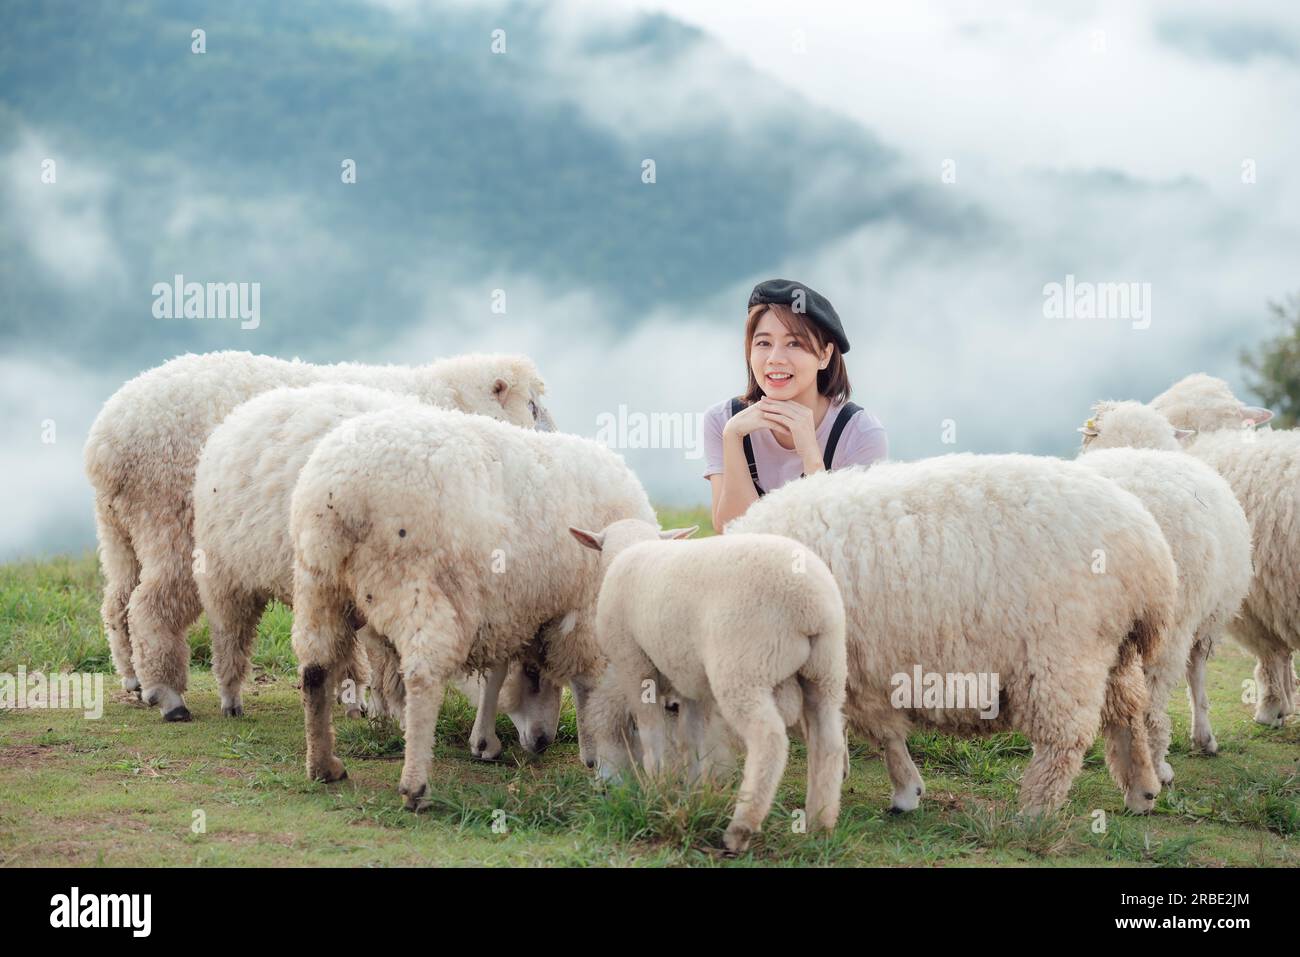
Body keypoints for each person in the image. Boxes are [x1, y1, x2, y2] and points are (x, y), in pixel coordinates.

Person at [703, 279, 888, 532]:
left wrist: (811, 454)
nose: (775, 358)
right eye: (763, 343)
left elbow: (846, 536)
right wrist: (733, 438)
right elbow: (731, 533)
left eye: (794, 343)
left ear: (824, 355)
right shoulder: (723, 421)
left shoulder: (860, 433)